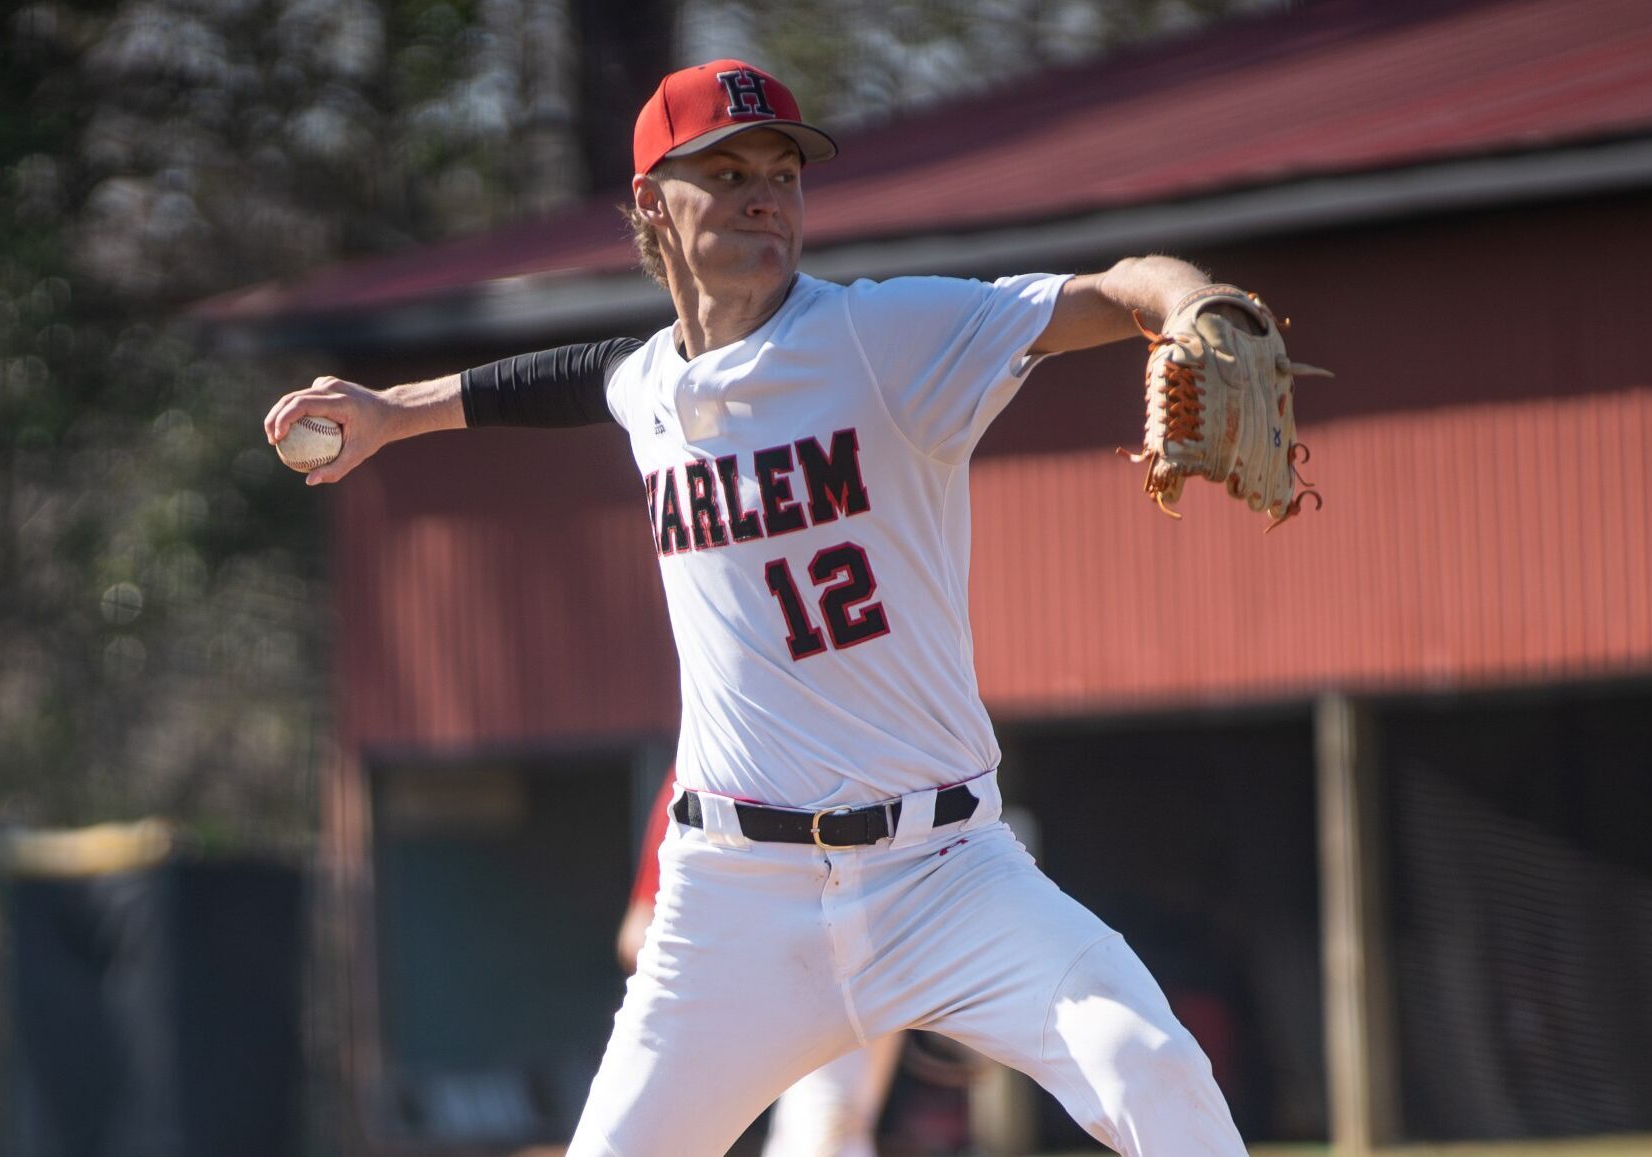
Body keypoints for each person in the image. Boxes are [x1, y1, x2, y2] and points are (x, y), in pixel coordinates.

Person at [267, 58, 1251, 1156]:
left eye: (781, 173)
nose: (761, 195)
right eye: (725, 170)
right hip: (731, 902)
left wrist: (1191, 303)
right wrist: (391, 412)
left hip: (943, 874)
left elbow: (1117, 289)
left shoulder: (885, 341)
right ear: (649, 204)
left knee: (1153, 1067)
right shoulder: (647, 385)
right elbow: (556, 379)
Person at [618, 776, 904, 1157]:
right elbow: (638, 933)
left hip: (836, 990)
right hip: (733, 1004)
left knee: (828, 1135)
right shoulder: (701, 774)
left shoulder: (856, 761)